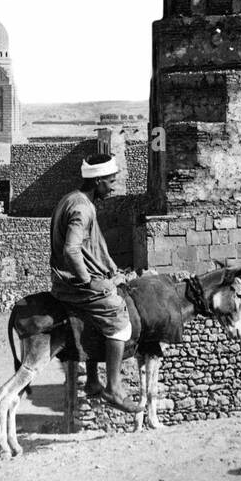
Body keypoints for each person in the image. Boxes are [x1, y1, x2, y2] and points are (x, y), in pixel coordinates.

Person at [50, 151, 139, 413]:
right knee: (119, 318)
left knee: (98, 316)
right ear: (98, 181)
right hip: (74, 285)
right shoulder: (81, 208)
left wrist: (111, 269)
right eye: (111, 181)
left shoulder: (73, 200)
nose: (113, 187)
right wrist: (89, 281)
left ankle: (91, 380)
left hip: (69, 280)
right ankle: (113, 387)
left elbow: (91, 247)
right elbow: (71, 250)